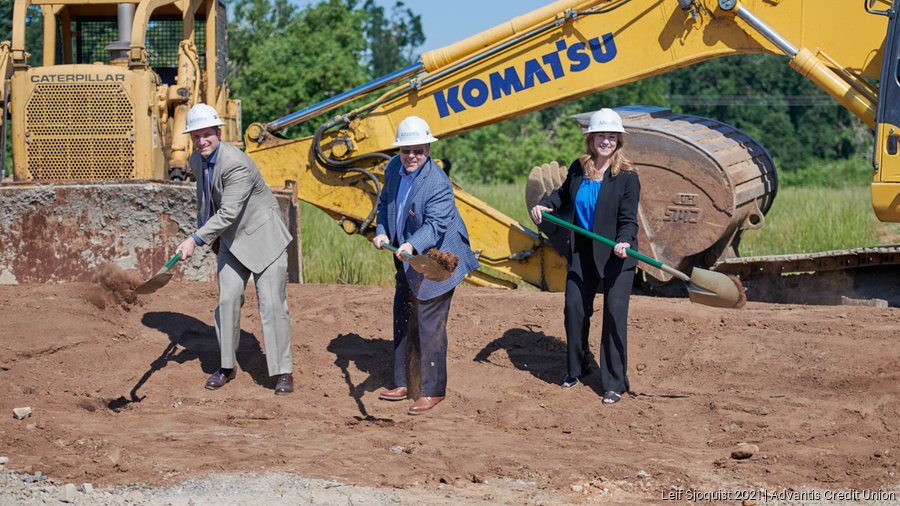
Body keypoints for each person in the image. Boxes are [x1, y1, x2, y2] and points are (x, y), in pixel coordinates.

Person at [175, 103, 295, 395]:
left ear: (218, 132)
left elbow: (228, 212)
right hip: (231, 239)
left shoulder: (236, 164)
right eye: (196, 135)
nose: (201, 141)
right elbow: (207, 202)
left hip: (263, 237)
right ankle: (227, 366)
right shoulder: (197, 159)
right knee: (228, 299)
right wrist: (208, 233)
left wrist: (195, 238)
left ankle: (283, 372)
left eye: (207, 134)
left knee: (271, 304)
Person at [529, 108, 640, 405]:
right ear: (591, 139)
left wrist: (624, 241)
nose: (606, 141)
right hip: (584, 250)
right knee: (574, 308)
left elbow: (629, 219)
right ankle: (577, 368)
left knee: (615, 317)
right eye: (601, 135)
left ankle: (614, 382)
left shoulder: (627, 177)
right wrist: (544, 205)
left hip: (618, 255)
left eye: (611, 136)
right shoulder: (580, 168)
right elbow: (561, 195)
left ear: (619, 140)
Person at [372, 115, 479, 415]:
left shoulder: (438, 183)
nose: (412, 156)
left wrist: (411, 244)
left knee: (430, 324)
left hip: (438, 259)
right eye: (406, 150)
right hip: (405, 258)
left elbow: (435, 225)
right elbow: (385, 204)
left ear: (428, 149)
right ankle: (403, 381)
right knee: (403, 316)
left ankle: (432, 390)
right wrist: (381, 230)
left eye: (418, 150)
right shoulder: (393, 169)